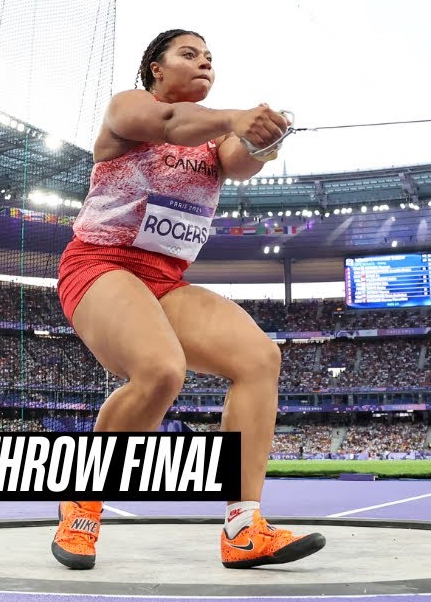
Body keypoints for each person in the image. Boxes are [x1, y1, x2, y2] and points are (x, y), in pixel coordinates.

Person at [51, 29, 326, 570]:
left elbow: (240, 160)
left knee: (258, 358)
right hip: (101, 264)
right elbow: (170, 123)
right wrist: (237, 118)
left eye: (210, 58)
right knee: (160, 371)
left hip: (166, 281)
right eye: (189, 54)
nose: (204, 63)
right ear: (156, 67)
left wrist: (265, 138)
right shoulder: (130, 107)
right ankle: (82, 503)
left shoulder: (213, 139)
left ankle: (244, 529)